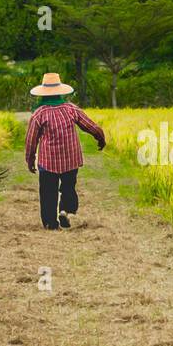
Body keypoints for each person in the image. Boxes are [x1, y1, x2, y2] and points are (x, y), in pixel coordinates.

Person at [24, 71, 105, 230]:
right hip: (70, 159)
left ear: (43, 94)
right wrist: (100, 137)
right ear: (60, 91)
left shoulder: (39, 114)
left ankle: (50, 223)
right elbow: (91, 126)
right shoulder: (71, 109)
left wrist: (30, 159)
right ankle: (66, 211)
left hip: (48, 162)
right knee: (69, 187)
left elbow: (31, 140)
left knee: (48, 192)